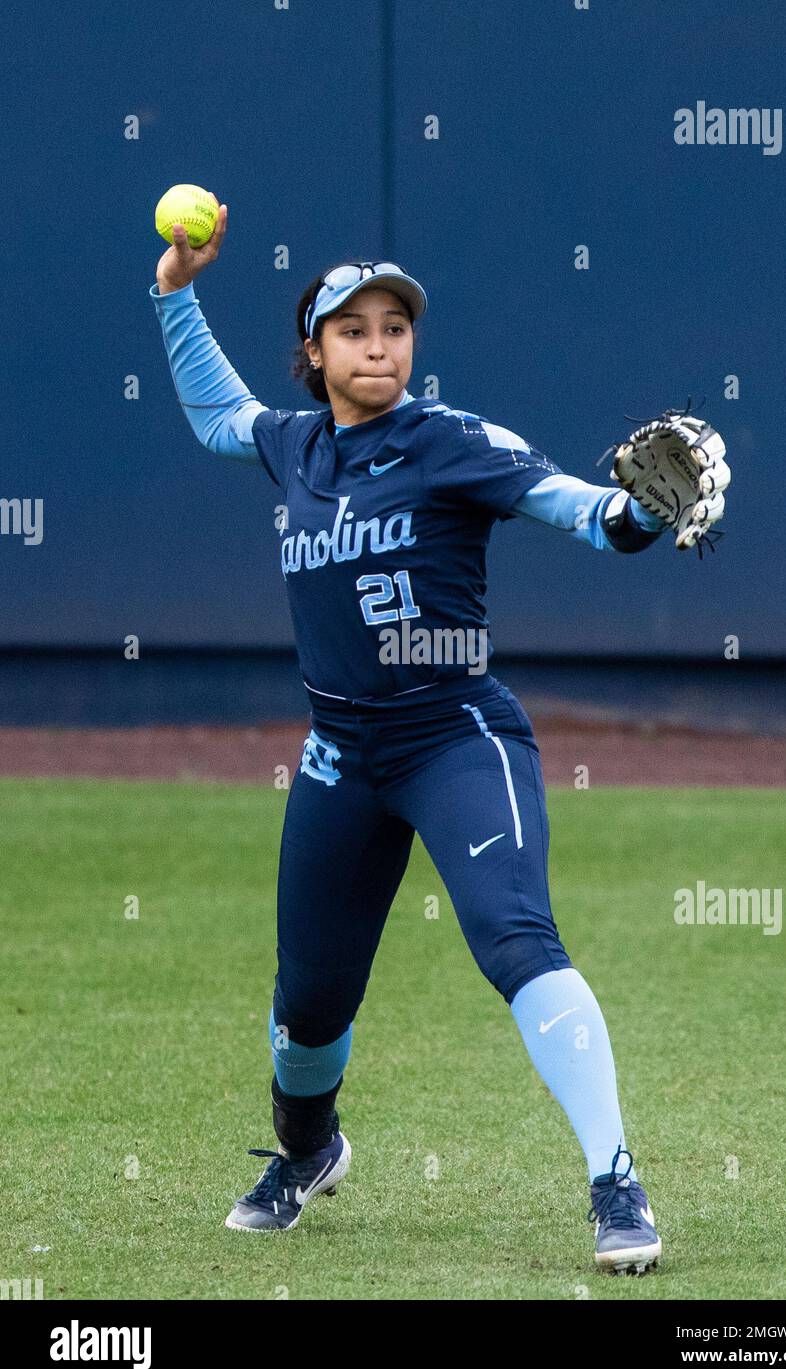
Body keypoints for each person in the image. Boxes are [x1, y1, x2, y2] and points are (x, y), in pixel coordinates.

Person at [150, 203, 693, 1275]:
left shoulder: (447, 440)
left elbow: (581, 509)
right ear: (315, 352)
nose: (379, 344)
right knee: (307, 1003)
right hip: (339, 756)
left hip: (454, 735)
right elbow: (218, 411)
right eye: (353, 329)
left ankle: (613, 1182)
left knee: (513, 937)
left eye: (395, 326)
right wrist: (174, 287)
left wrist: (637, 515)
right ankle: (308, 1151)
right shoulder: (296, 446)